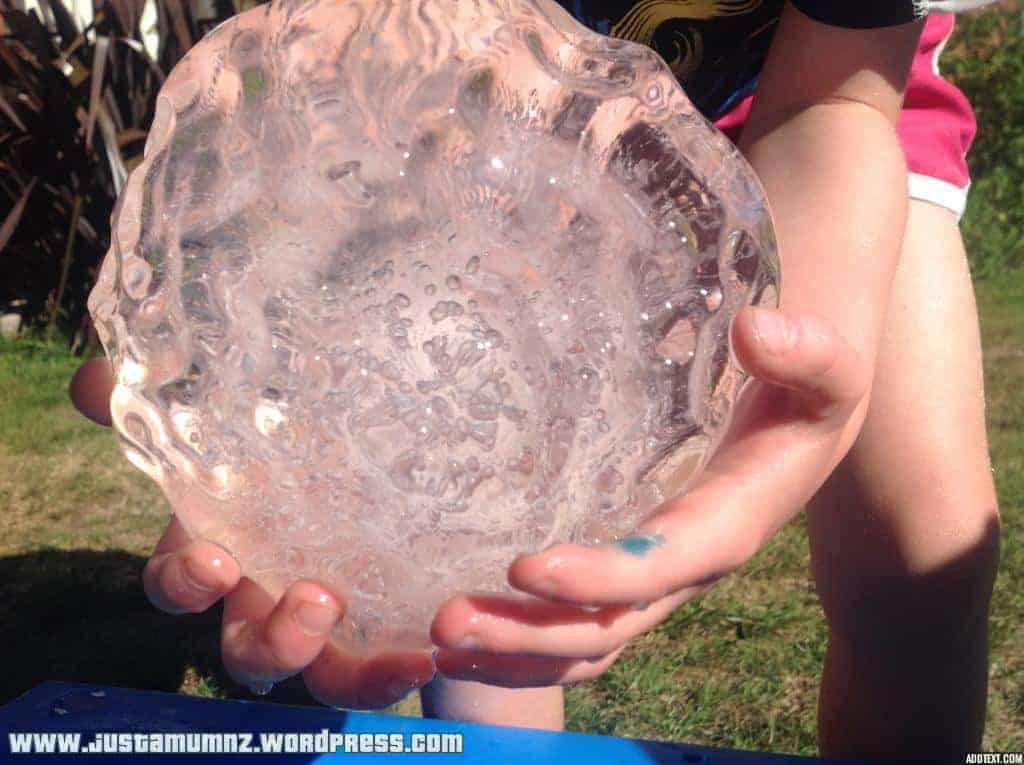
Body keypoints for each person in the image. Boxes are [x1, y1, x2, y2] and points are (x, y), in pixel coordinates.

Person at [70, 0, 1001, 759]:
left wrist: (789, 365)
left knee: (923, 552)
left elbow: (830, 106)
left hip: (825, 103)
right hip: (493, 111)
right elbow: (392, 62)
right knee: (493, 567)